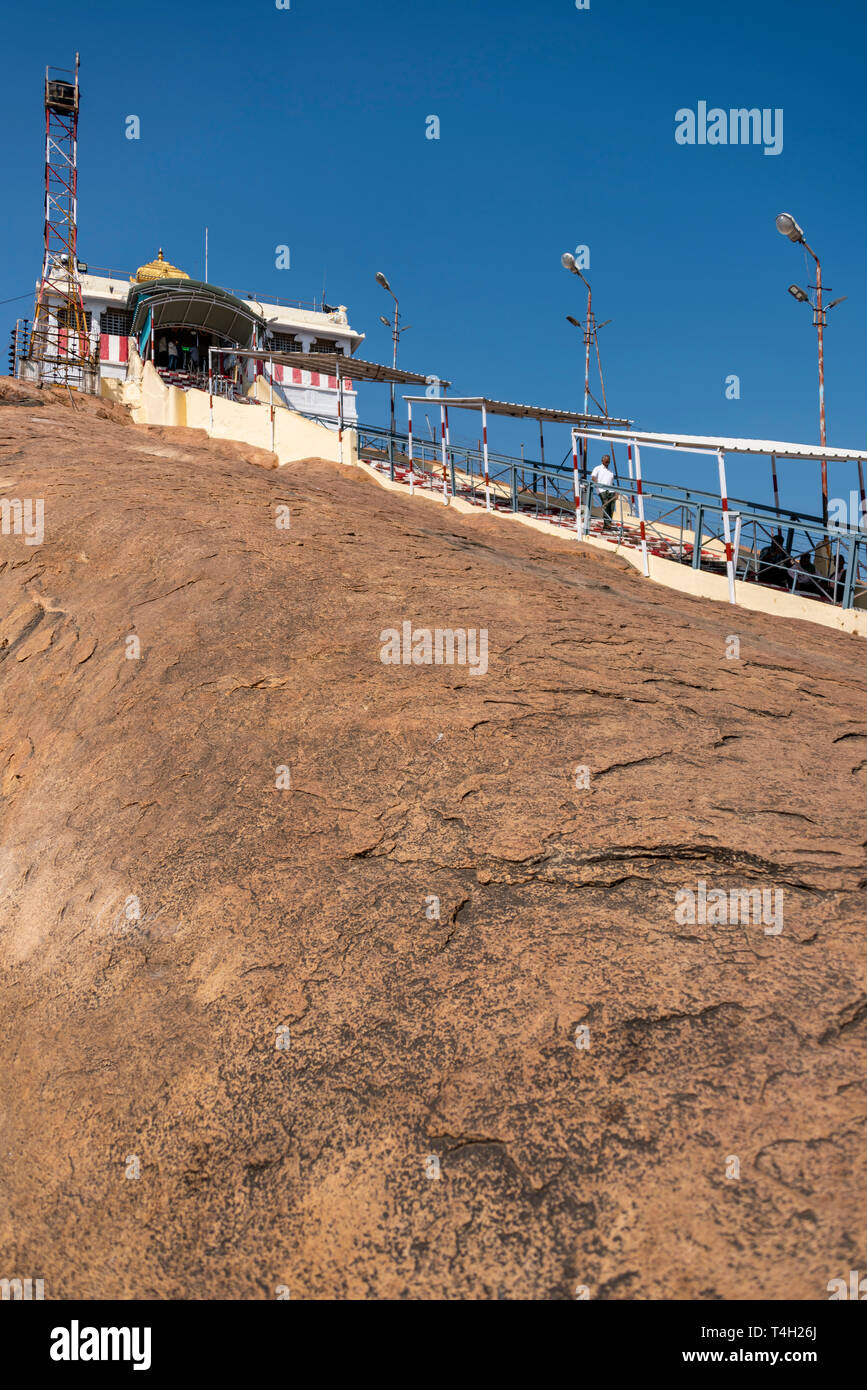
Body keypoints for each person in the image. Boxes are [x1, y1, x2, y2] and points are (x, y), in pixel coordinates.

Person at [591, 454, 616, 529]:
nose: (607, 462)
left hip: (611, 491)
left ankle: (608, 524)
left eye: (608, 461)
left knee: (611, 507)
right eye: (606, 461)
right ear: (602, 461)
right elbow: (593, 477)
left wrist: (616, 490)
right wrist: (598, 485)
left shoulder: (610, 471)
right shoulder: (597, 468)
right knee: (605, 505)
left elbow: (611, 482)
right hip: (602, 490)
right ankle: (607, 524)